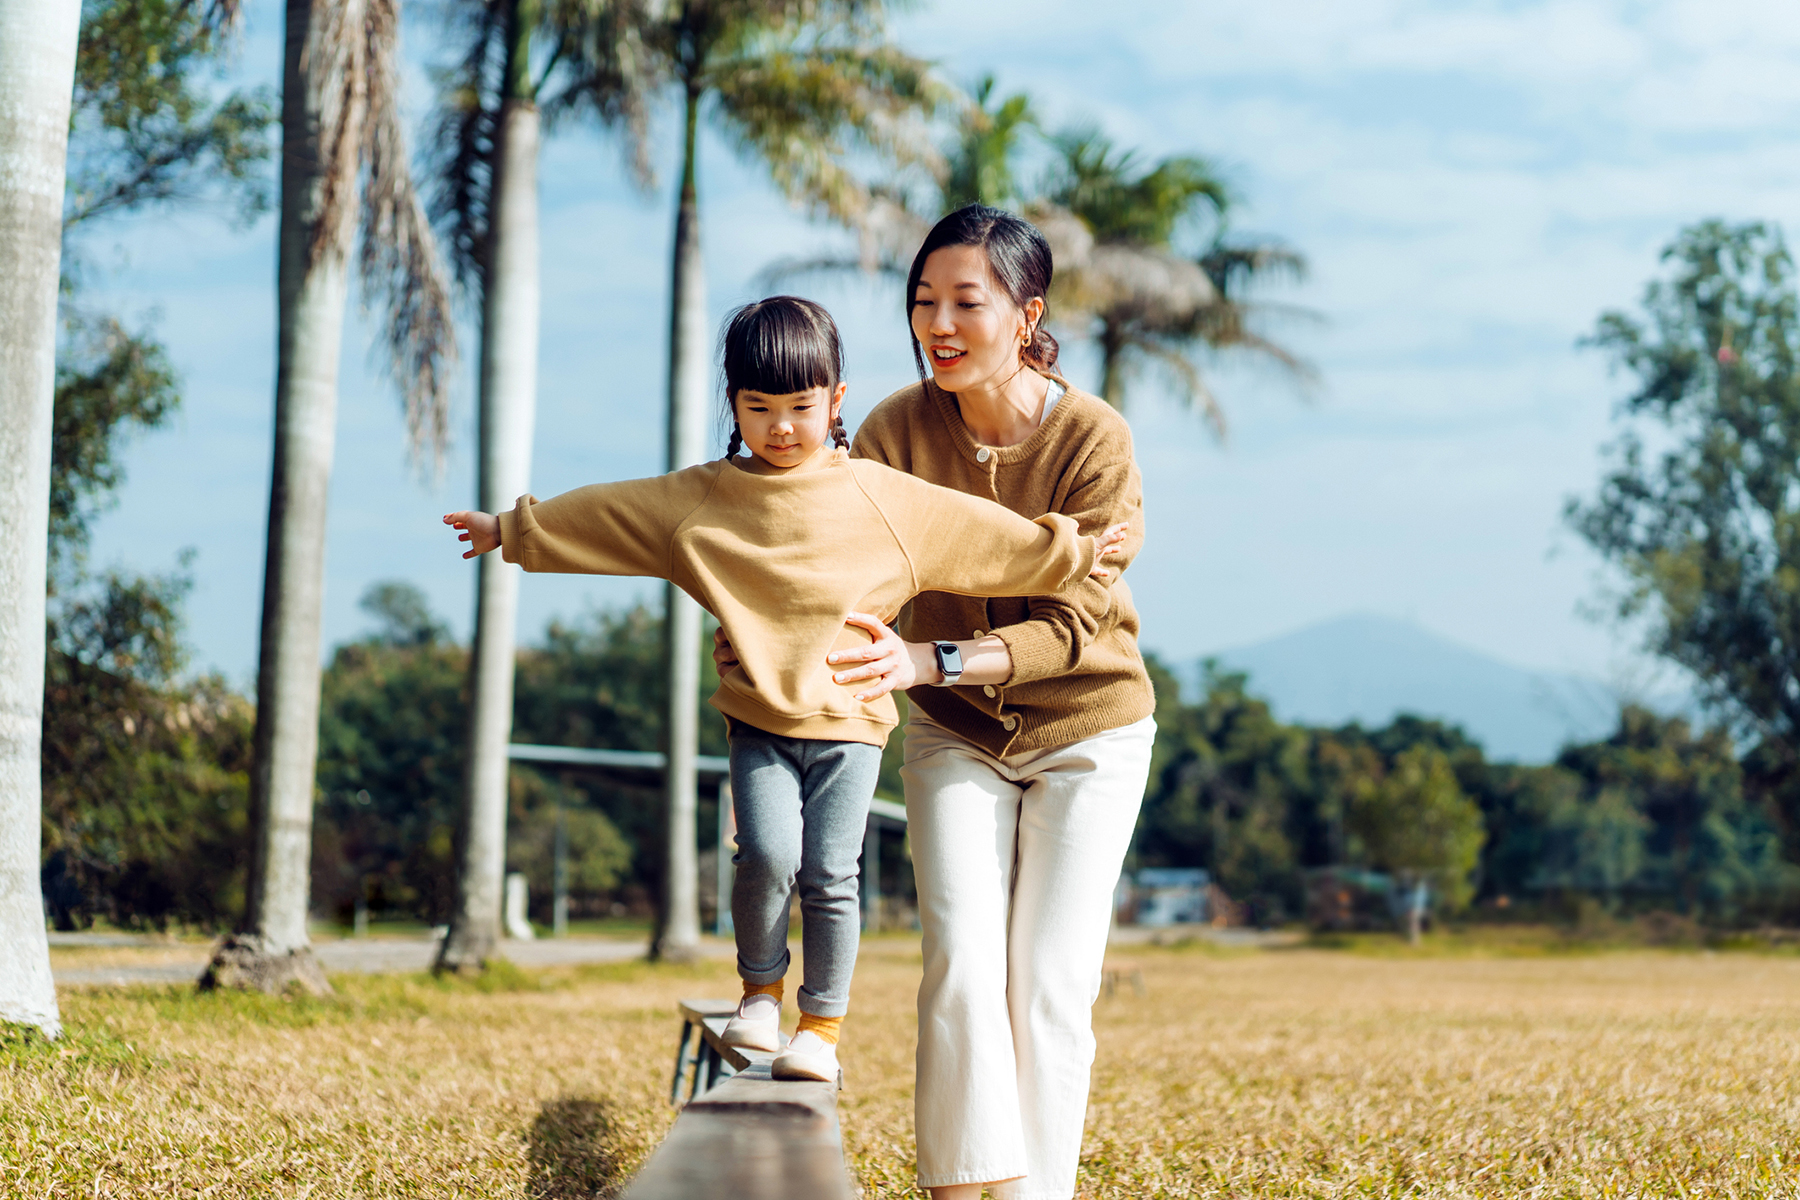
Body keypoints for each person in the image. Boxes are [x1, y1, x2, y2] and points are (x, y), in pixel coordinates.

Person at [444, 295, 1127, 1087]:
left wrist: (1071, 550)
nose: (780, 428)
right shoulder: (704, 499)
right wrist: (512, 529)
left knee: (831, 874)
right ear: (732, 404)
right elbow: (612, 513)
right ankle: (760, 996)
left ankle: (823, 1029)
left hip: (850, 723)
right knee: (765, 854)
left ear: (836, 401)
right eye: (758, 408)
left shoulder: (881, 493)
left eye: (801, 408)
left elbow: (980, 534)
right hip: (760, 718)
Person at [725, 207, 1155, 1198]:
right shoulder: (893, 430)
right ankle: (961, 1192)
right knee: (960, 961)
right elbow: (828, 541)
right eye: (924, 303)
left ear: (1026, 314)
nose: (939, 325)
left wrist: (934, 659)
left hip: (1090, 728)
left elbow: (1081, 629)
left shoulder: (1094, 438)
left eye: (968, 302)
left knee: (1046, 984)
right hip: (955, 733)